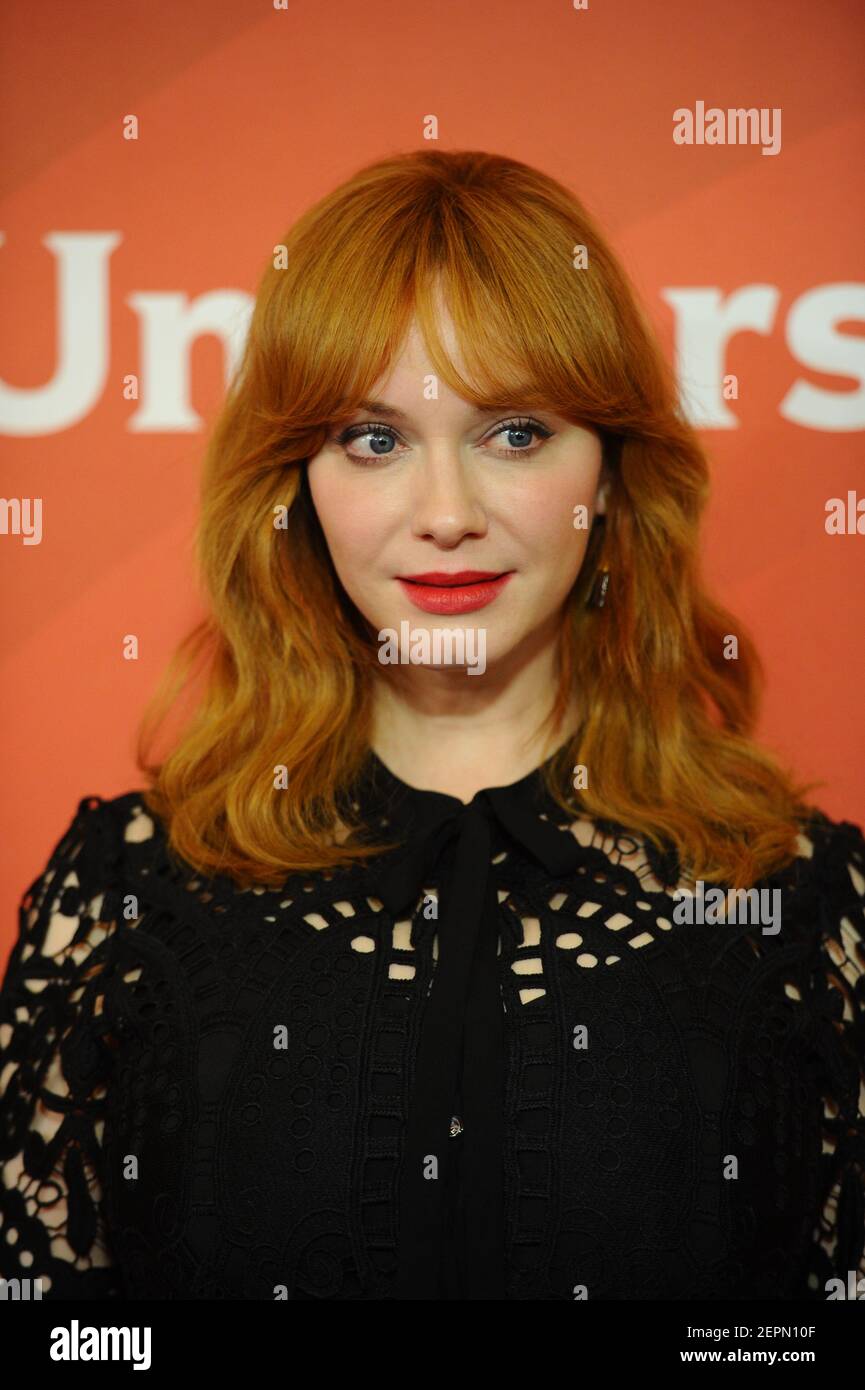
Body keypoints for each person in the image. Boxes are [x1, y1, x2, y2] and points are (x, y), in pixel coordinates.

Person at [1, 149, 863, 1302]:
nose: (446, 515)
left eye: (515, 433)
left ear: (607, 473)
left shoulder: (801, 907)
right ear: (291, 482)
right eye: (374, 438)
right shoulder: (125, 895)